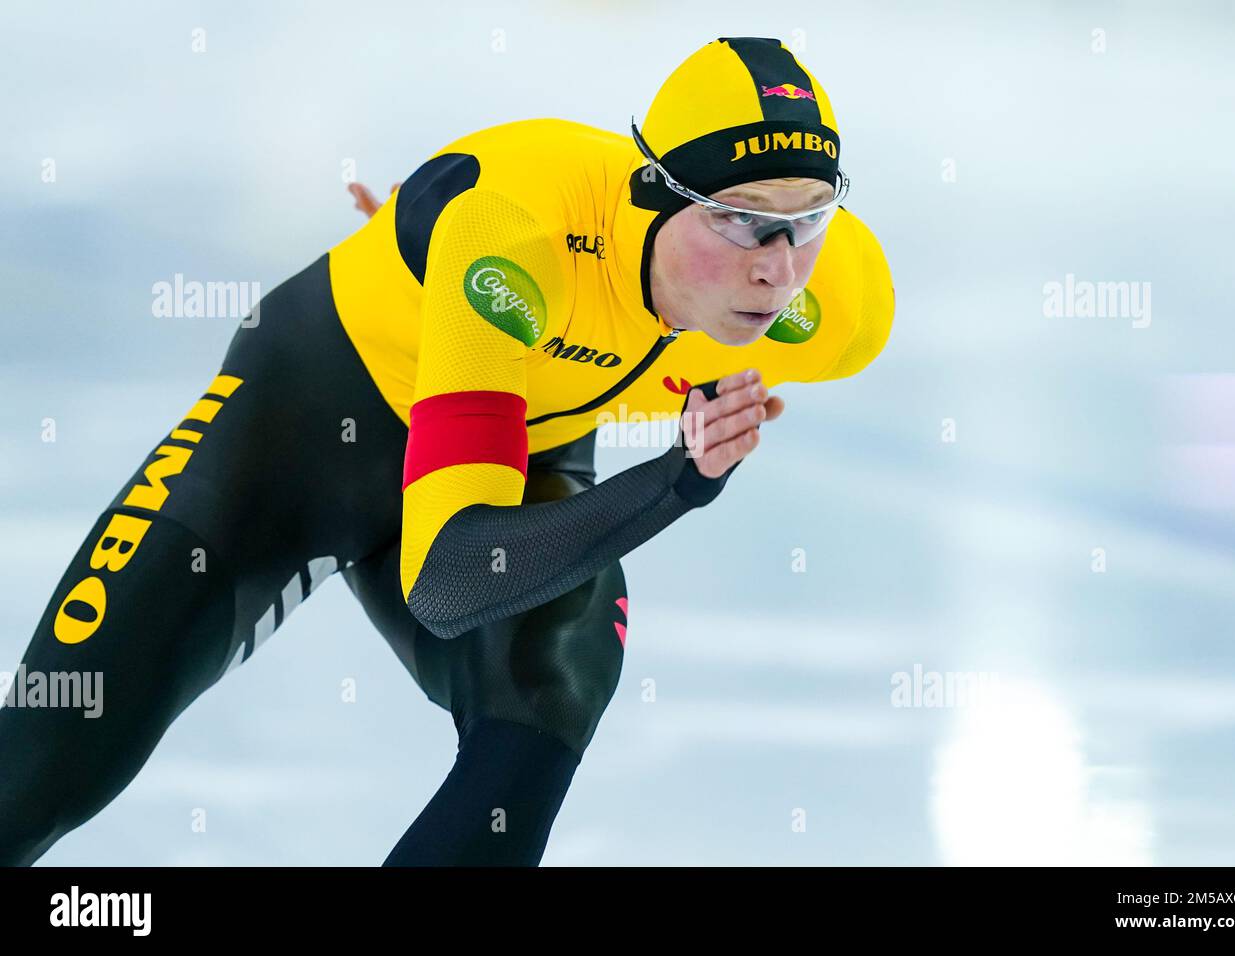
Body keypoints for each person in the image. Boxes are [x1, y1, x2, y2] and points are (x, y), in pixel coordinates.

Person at [0, 36, 893, 866]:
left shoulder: (833, 303)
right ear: (656, 192)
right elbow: (447, 580)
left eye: (808, 219)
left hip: (509, 446)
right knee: (48, 755)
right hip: (304, 427)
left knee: (558, 669)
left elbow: (795, 271)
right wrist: (675, 482)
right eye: (739, 220)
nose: (777, 268)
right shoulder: (513, 244)